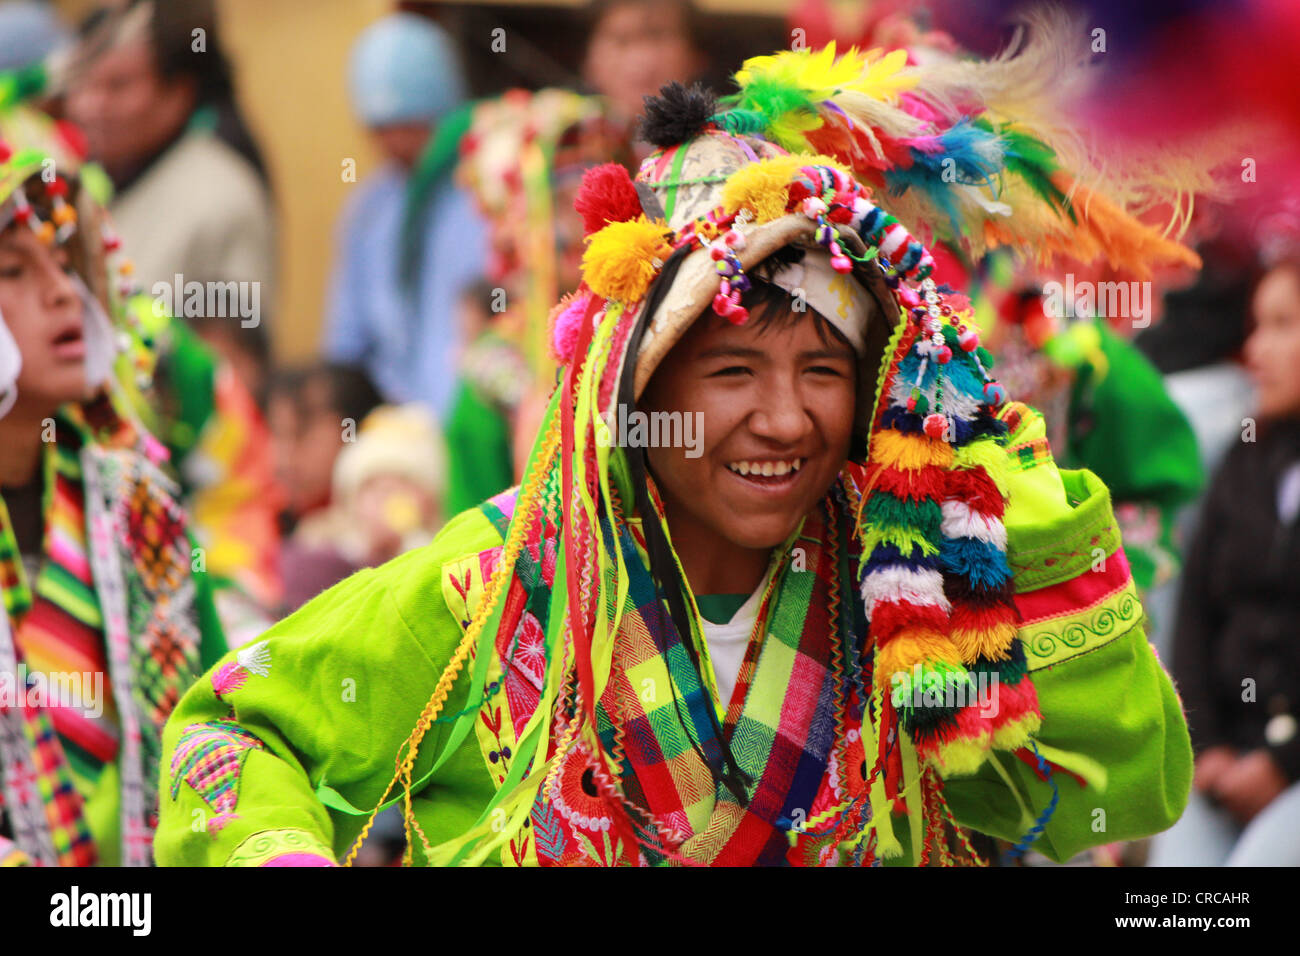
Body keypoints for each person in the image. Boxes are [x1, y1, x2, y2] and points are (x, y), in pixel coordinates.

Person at [157, 39, 1199, 867]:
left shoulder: (905, 591)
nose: (785, 419)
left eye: (824, 372)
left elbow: (1115, 792)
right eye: (733, 371)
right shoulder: (498, 583)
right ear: (640, 386)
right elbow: (238, 733)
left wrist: (1019, 506)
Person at [0, 104, 224, 867]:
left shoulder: (140, 504)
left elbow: (218, 717)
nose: (63, 293)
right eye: (13, 271)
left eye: (65, 264)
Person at [1149, 255, 1300, 866]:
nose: (1256, 347)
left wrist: (1281, 762)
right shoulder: (1247, 456)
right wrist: (1203, 744)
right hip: (1221, 761)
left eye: (1283, 324)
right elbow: (1195, 614)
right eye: (1256, 324)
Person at [64, 0, 275, 314]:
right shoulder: (83, 180)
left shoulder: (222, 199)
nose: (89, 105)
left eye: (118, 86)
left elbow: (229, 351)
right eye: (82, 83)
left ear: (179, 93)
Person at [324, 13, 486, 418]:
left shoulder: (487, 196)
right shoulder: (368, 212)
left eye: (412, 127)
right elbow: (345, 346)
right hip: (398, 437)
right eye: (382, 130)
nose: (396, 143)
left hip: (479, 420)